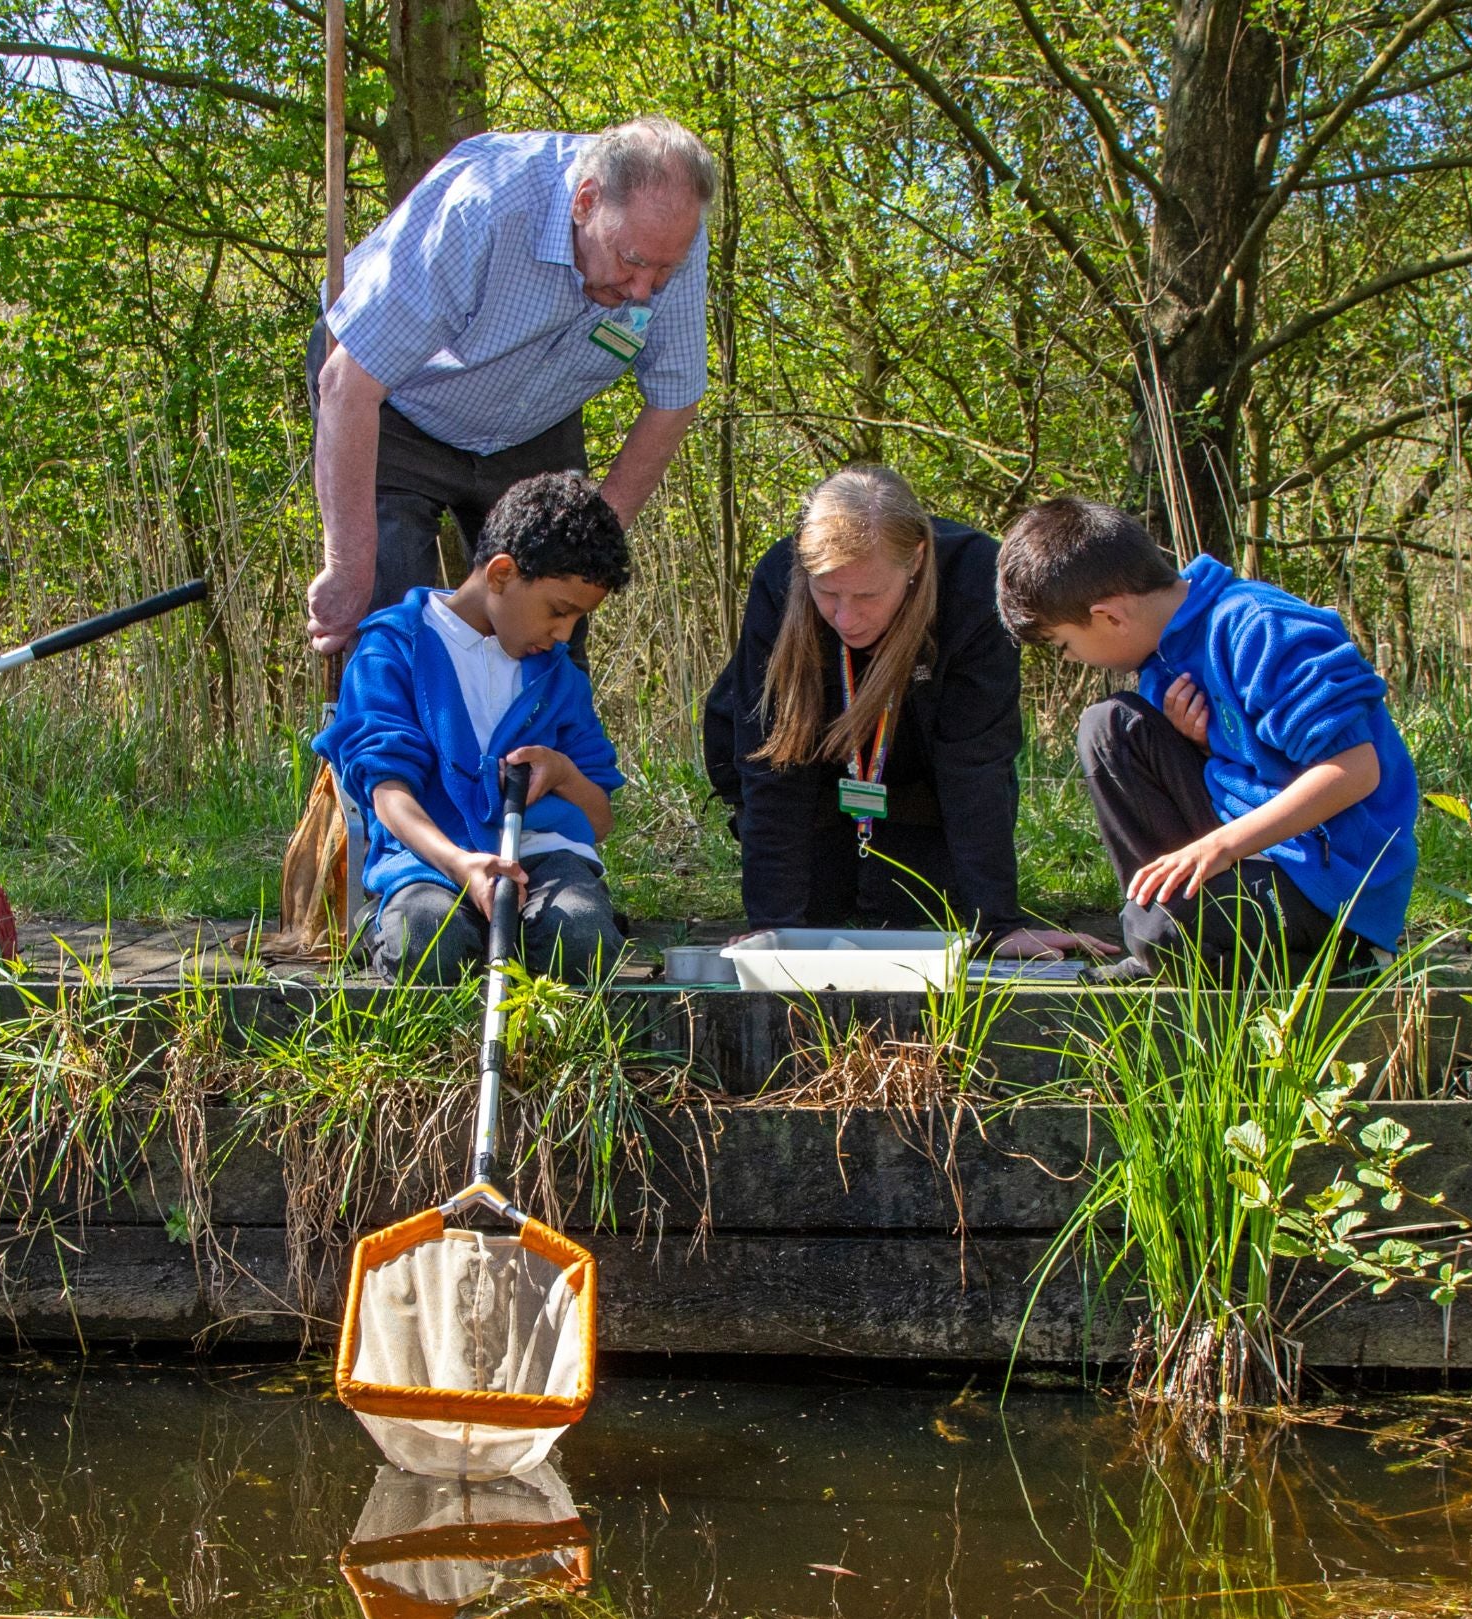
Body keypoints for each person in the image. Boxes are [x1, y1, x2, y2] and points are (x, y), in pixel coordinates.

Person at [303, 116, 712, 653]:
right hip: (397, 405)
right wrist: (347, 566)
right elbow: (348, 385)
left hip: (535, 421)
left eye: (661, 273)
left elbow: (674, 401)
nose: (643, 291)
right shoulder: (486, 206)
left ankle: (534, 739)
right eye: (631, 261)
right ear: (586, 202)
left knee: (553, 613)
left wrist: (587, 541)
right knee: (387, 616)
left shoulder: (672, 237)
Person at [995, 497, 1419, 983]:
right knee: (1109, 726)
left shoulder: (1261, 627)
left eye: (1064, 645)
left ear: (1109, 616)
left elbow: (1355, 771)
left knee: (1161, 928)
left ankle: (1348, 963)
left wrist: (1220, 847)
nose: (1071, 659)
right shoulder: (1162, 659)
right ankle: (1168, 933)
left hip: (1331, 887)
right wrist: (1198, 746)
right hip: (1255, 852)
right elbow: (1257, 761)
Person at [702, 467, 1109, 961]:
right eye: (828, 594)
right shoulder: (778, 578)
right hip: (817, 784)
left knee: (919, 907)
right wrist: (773, 926)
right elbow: (771, 760)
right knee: (813, 910)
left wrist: (1000, 922)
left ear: (916, 559)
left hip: (921, 785)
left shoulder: (976, 582)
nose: (846, 619)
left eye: (868, 595)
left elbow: (975, 762)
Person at [317, 471, 629, 984]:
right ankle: (387, 926)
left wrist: (563, 772)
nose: (563, 635)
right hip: (431, 860)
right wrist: (462, 864)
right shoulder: (392, 650)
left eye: (577, 621)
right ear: (502, 574)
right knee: (426, 940)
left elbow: (598, 822)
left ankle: (527, 938)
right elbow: (388, 793)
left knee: (581, 939)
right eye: (559, 612)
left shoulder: (560, 678)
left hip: (545, 859)